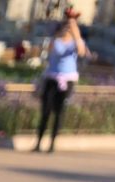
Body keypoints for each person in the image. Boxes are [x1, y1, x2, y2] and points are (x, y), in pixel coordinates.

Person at [35, 10, 86, 153]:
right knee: (45, 111)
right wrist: (60, 32)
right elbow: (49, 49)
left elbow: (81, 51)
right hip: (51, 77)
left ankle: (52, 144)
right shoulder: (56, 40)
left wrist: (75, 31)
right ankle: (38, 142)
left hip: (67, 80)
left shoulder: (76, 43)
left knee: (59, 112)